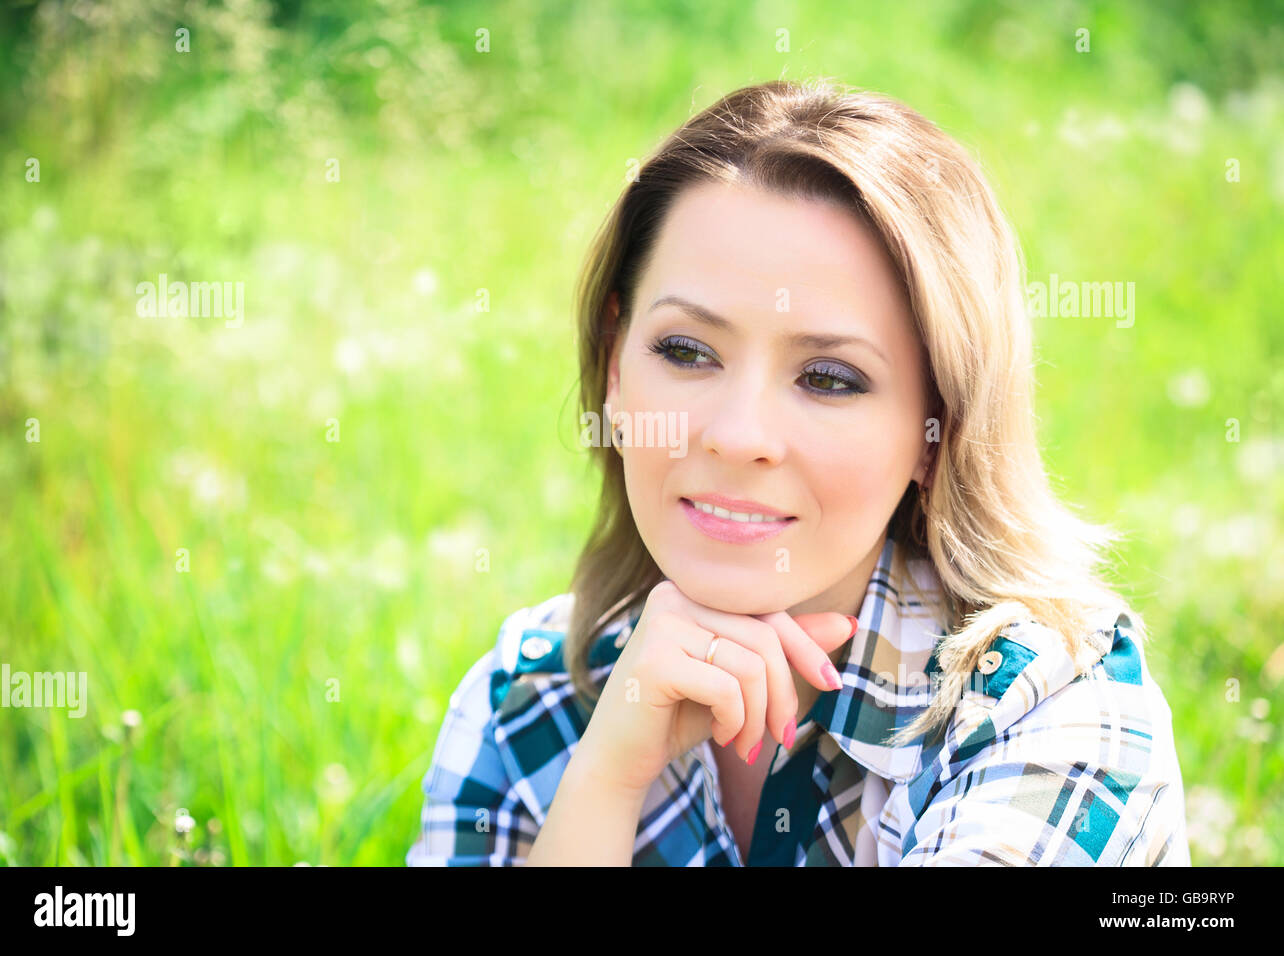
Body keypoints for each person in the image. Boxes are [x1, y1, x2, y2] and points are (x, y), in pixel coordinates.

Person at [406, 78, 1191, 866]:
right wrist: (605, 782)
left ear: (936, 429)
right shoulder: (527, 700)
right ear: (616, 369)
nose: (739, 436)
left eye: (829, 378)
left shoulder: (1053, 709)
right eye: (686, 351)